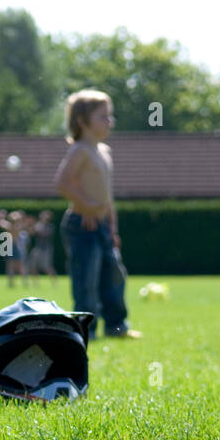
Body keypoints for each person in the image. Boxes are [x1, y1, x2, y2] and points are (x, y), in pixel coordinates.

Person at [52, 89, 141, 339]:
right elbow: (63, 182)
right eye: (103, 116)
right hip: (82, 225)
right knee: (86, 282)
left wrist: (112, 228)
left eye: (110, 116)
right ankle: (86, 330)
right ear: (82, 121)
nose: (110, 121)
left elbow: (107, 197)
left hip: (101, 226)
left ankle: (117, 325)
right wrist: (87, 206)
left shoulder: (104, 151)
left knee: (114, 277)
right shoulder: (80, 150)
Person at [27, 209, 59, 285]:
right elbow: (30, 233)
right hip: (37, 248)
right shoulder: (37, 225)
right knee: (33, 266)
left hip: (46, 249)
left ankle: (54, 282)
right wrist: (30, 226)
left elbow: (46, 234)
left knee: (47, 266)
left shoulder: (50, 226)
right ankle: (36, 283)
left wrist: (37, 228)